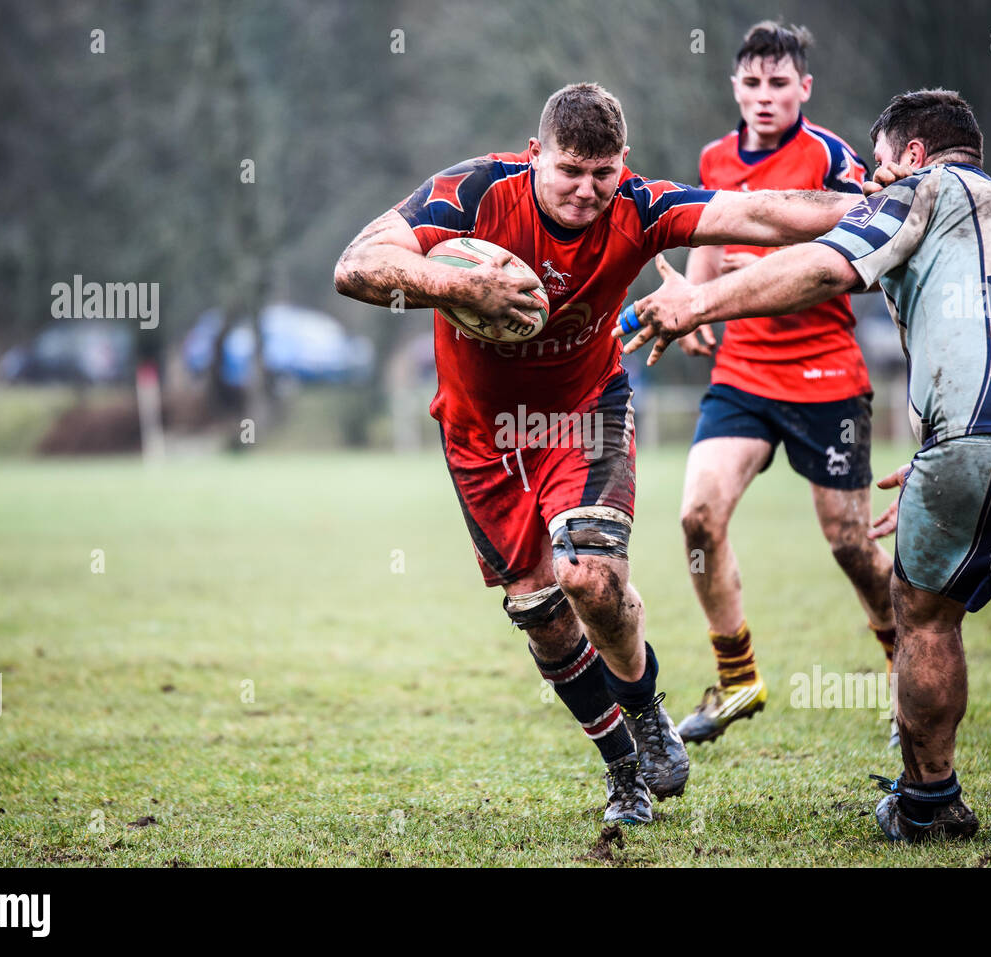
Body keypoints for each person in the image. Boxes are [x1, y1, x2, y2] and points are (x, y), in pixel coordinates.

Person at [620, 89, 991, 843]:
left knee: (922, 606)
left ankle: (930, 800)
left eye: (879, 164)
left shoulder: (920, 190)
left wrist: (698, 303)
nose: (869, 180)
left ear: (915, 156)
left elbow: (822, 268)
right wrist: (944, 459)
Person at [334, 82, 871, 825]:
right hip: (481, 436)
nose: (587, 191)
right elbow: (357, 264)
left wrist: (880, 209)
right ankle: (624, 766)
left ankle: (646, 710)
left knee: (589, 579)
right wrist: (462, 285)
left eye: (603, 173)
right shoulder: (475, 193)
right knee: (540, 611)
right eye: (569, 172)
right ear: (533, 158)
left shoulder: (641, 207)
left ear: (625, 164)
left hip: (585, 415)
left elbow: (756, 211)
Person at [672, 20, 898, 748]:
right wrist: (696, 309)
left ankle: (907, 669)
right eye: (752, 83)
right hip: (742, 372)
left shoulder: (833, 158)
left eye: (779, 84)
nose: (764, 96)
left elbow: (879, 255)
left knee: (850, 543)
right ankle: (737, 681)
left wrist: (776, 270)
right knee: (698, 518)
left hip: (828, 372)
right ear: (734, 86)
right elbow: (706, 239)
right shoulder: (714, 156)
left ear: (805, 88)